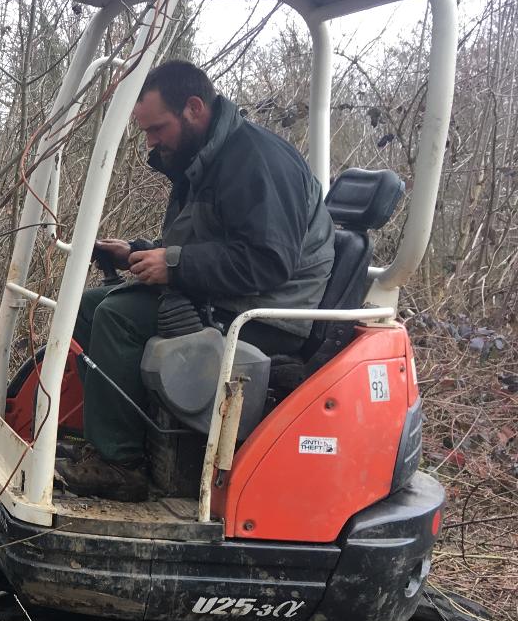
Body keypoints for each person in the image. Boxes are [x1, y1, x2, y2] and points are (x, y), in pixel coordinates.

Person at [56, 60, 336, 502]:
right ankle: (116, 443)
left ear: (193, 107)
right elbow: (205, 242)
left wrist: (175, 265)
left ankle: (121, 467)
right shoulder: (205, 159)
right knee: (88, 306)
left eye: (157, 129)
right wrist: (138, 252)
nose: (151, 142)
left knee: (118, 317)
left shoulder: (256, 160)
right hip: (228, 292)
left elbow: (268, 261)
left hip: (267, 313)